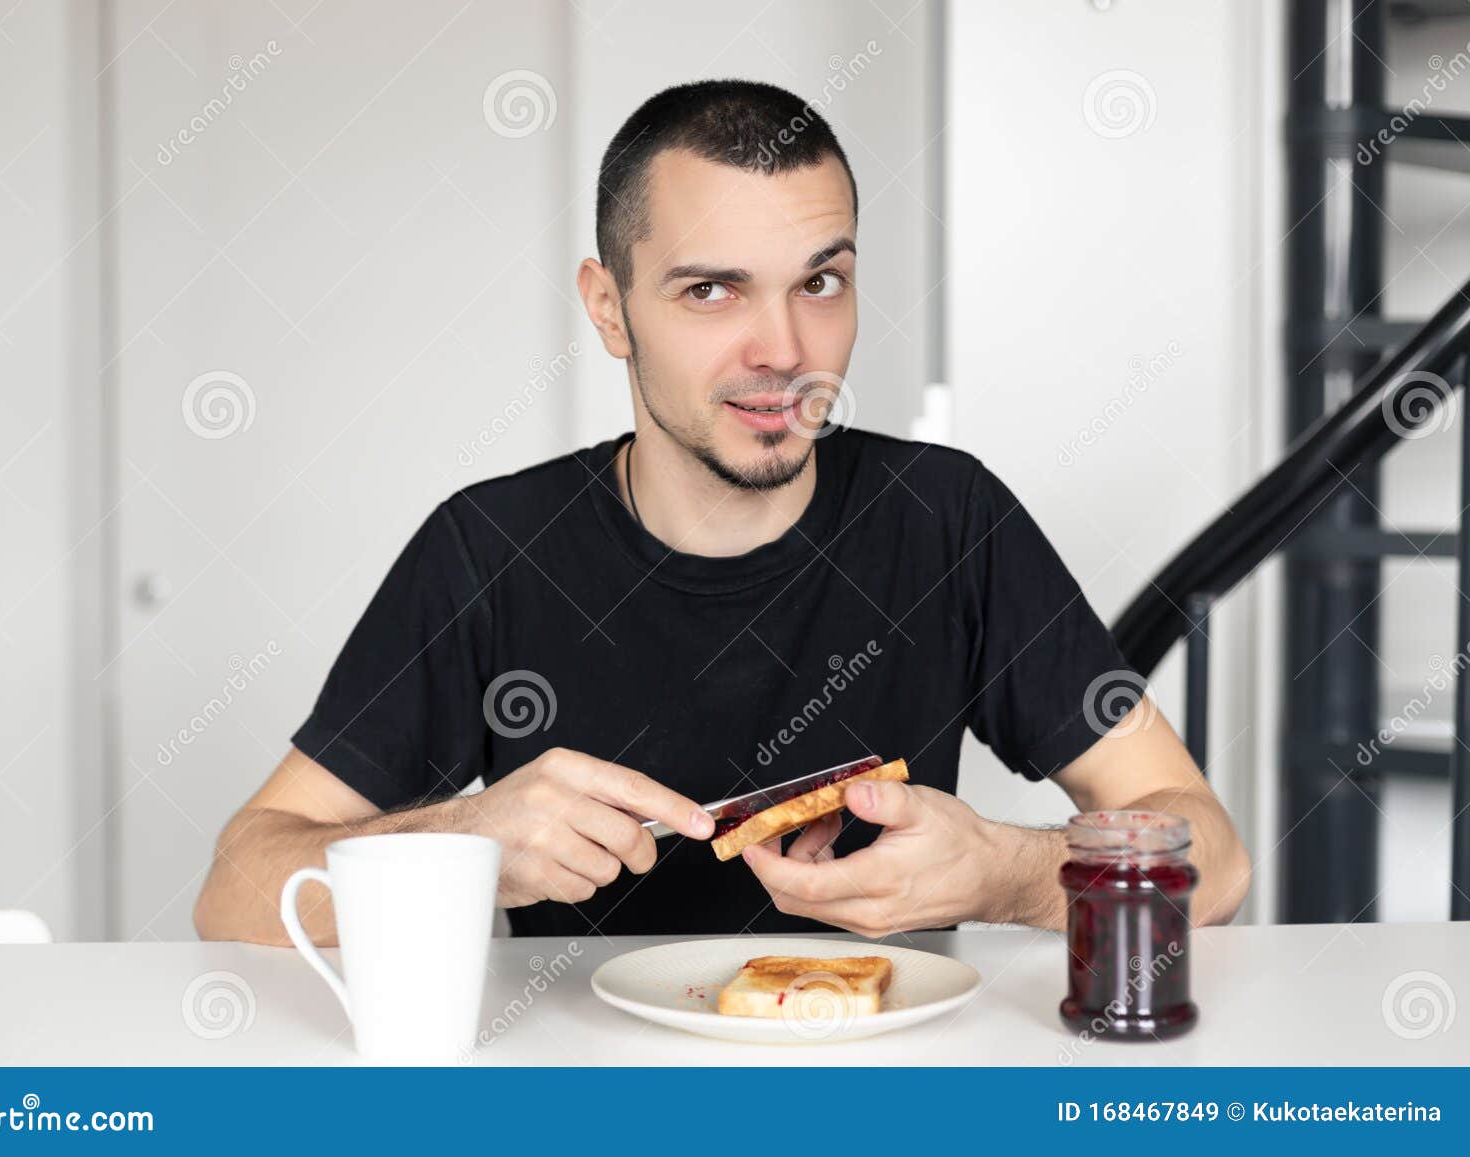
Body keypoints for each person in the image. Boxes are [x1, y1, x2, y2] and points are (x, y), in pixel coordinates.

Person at [194, 79, 1250, 945]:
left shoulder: (946, 520)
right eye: (712, 291)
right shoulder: (491, 548)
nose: (783, 350)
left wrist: (1009, 873)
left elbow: (1216, 857)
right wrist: (463, 844)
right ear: (609, 307)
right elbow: (237, 890)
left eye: (819, 282)